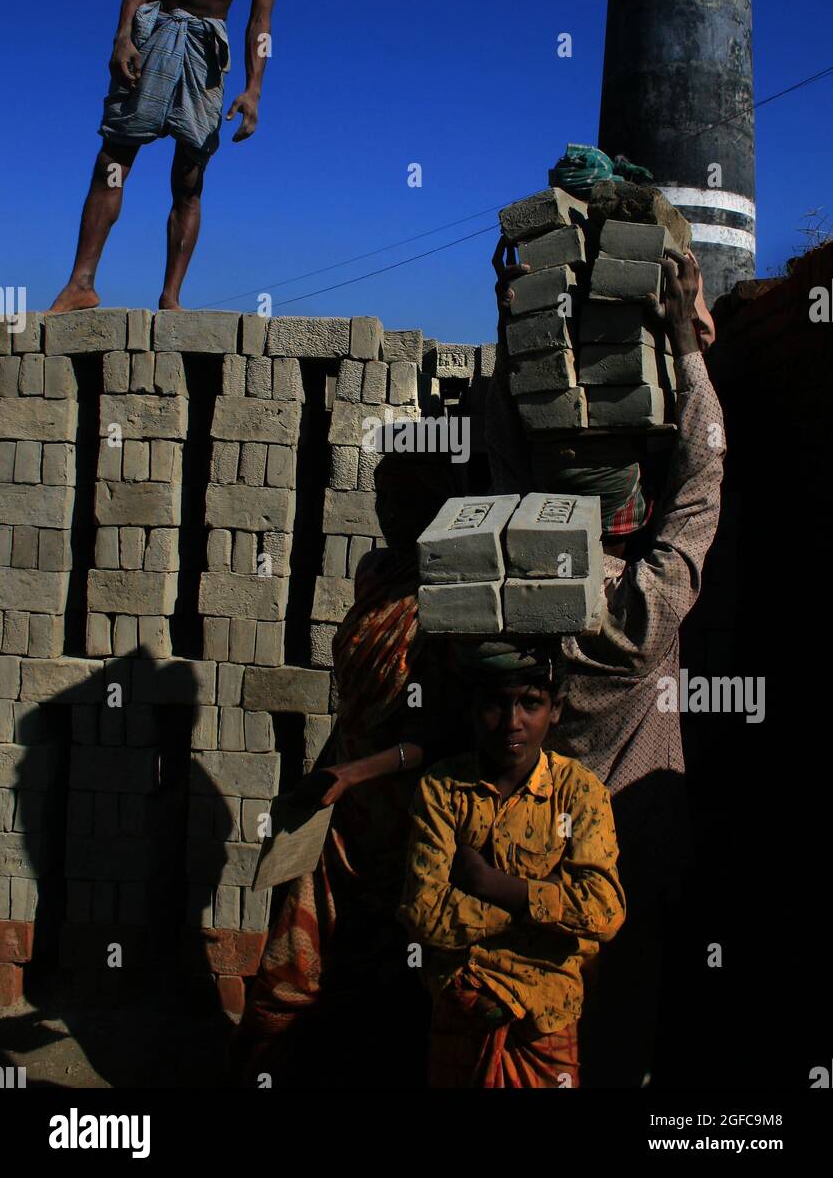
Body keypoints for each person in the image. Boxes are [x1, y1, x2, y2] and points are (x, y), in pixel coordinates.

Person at [486, 241, 726, 1086]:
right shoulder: (650, 605)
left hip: (536, 860)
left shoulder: (525, 592)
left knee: (542, 1027)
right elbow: (702, 475)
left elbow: (506, 467)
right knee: (624, 1032)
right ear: (638, 513)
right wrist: (687, 351)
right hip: (632, 858)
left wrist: (517, 325)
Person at [231, 456, 469, 1087]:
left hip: (406, 813)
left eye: (405, 503)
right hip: (342, 799)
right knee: (297, 953)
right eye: (382, 501)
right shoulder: (376, 573)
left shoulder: (452, 600)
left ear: (439, 507)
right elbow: (358, 701)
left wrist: (356, 772)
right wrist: (331, 773)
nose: (390, 516)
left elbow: (440, 732)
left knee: (388, 962)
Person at [48, 0, 301, 314]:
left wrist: (254, 90)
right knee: (113, 161)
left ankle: (171, 297)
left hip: (206, 54)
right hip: (156, 32)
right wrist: (123, 37)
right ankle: (81, 283)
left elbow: (260, 25)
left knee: (189, 179)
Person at [397, 639, 625, 1089]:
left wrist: (490, 883)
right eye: (496, 705)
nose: (513, 723)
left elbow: (605, 912)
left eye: (531, 703)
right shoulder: (443, 792)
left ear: (555, 709)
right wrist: (544, 905)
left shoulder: (578, 794)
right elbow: (422, 913)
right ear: (471, 707)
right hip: (466, 1005)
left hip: (546, 1013)